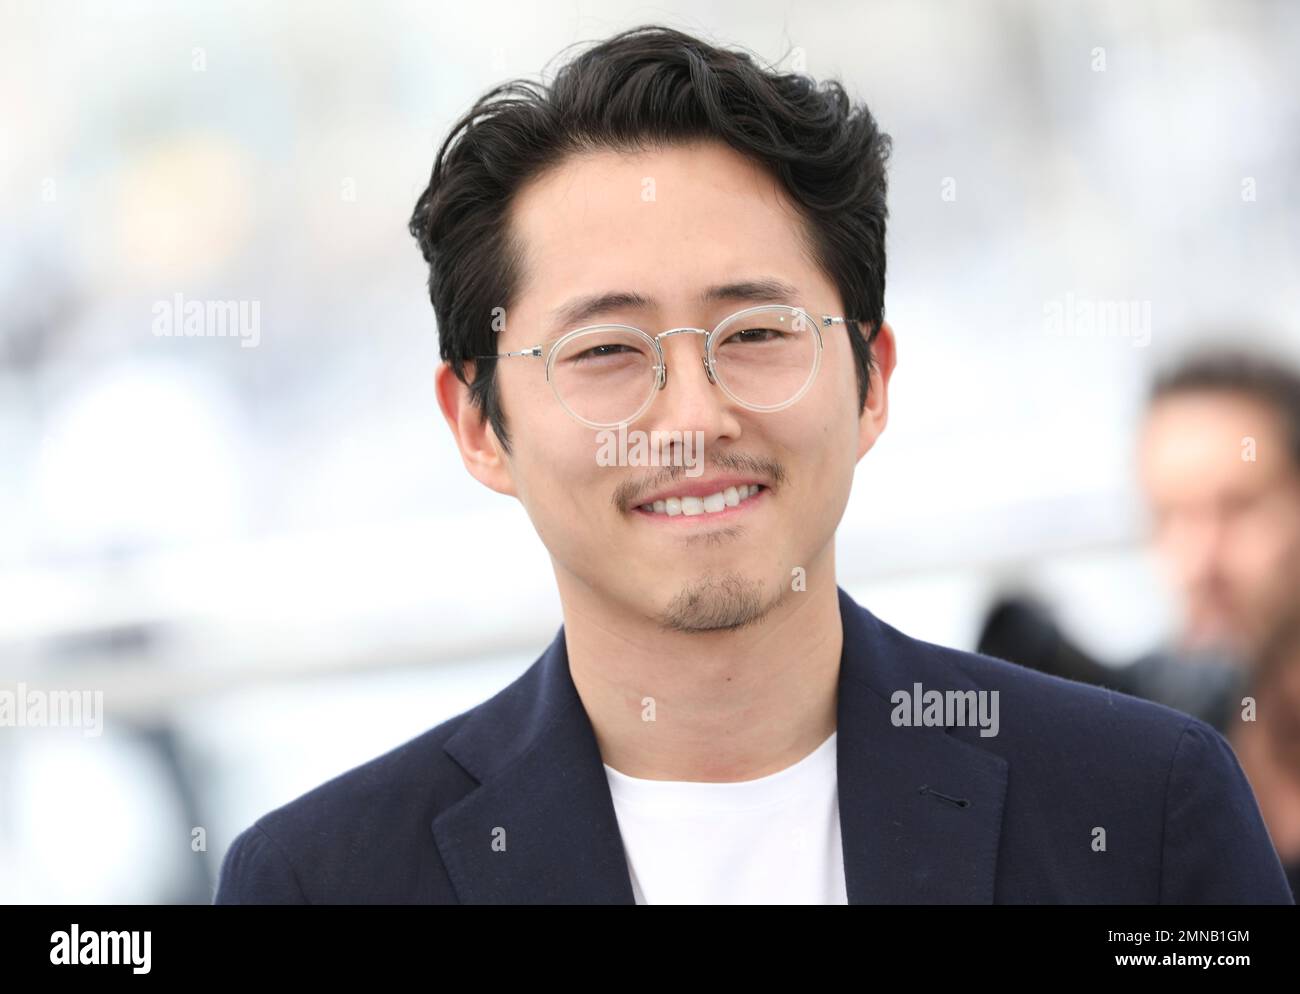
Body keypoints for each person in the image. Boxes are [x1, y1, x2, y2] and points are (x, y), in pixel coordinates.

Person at [213, 25, 1292, 904]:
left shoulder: (1145, 805)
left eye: (757, 333)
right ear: (478, 424)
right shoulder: (323, 882)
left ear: (871, 379)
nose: (693, 416)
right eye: (604, 352)